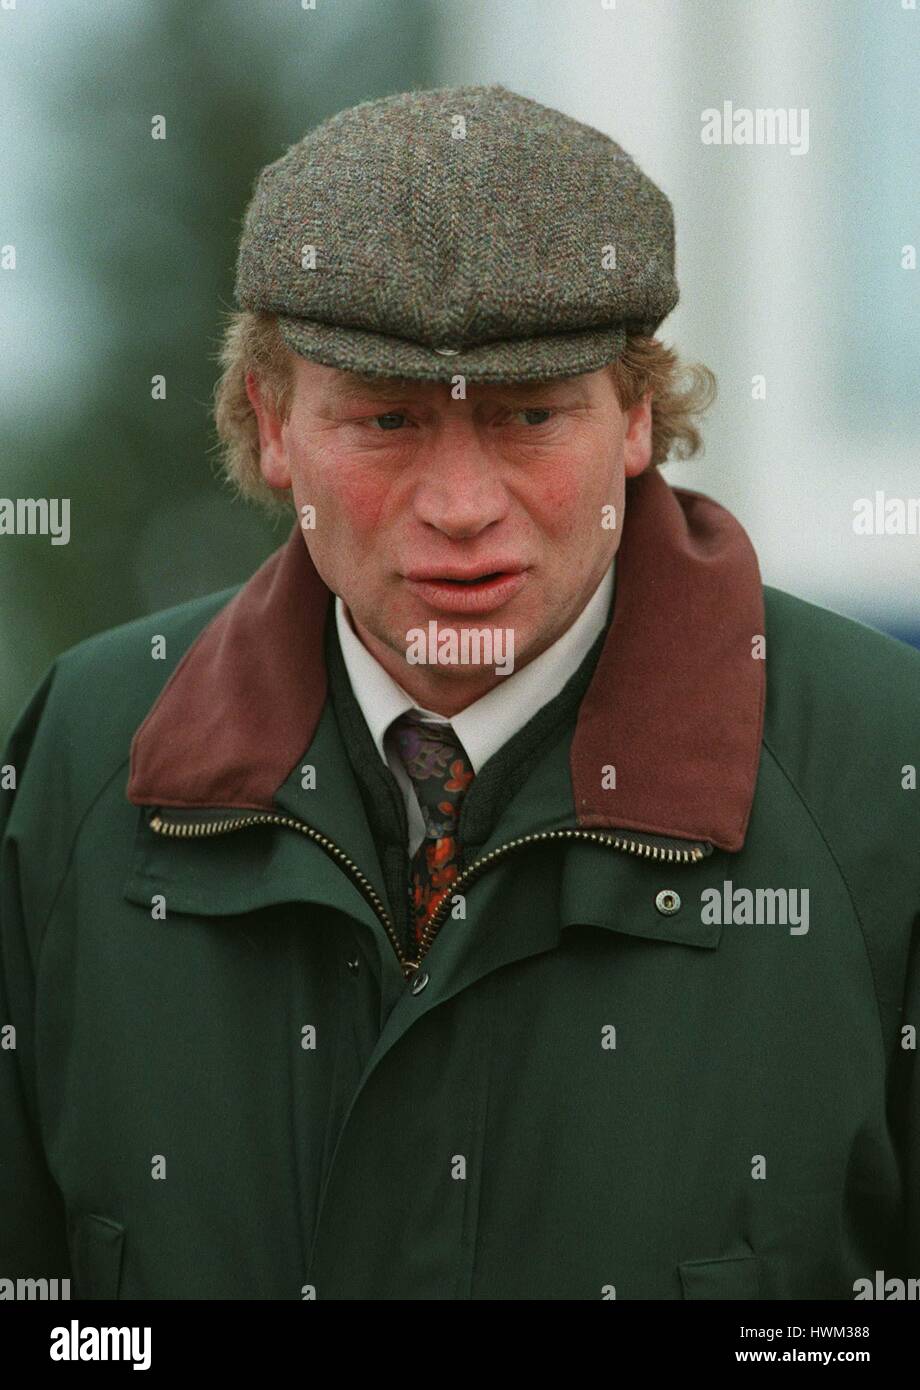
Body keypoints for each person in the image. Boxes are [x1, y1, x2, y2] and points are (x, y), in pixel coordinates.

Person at [1, 84, 918, 1302]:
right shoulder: (84, 755)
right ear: (271, 426)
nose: (460, 505)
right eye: (383, 421)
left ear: (636, 416)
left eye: (527, 415)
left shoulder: (880, 777)